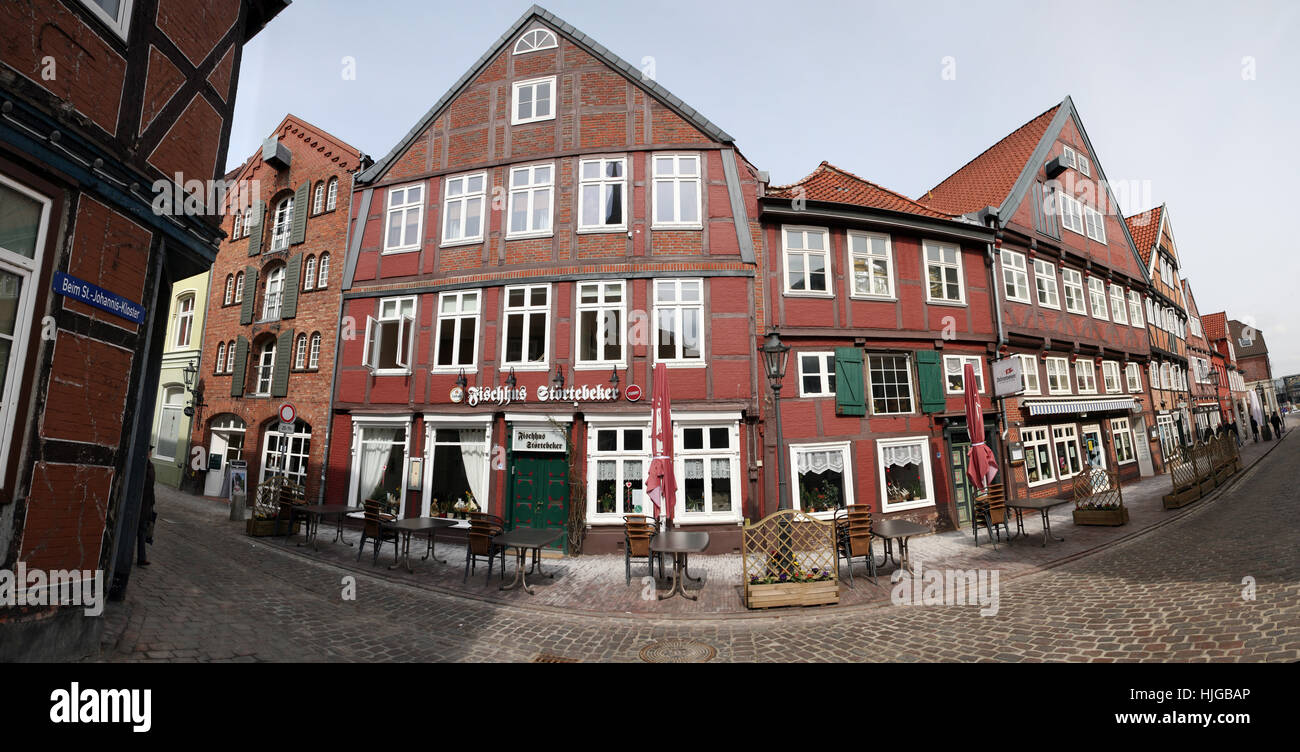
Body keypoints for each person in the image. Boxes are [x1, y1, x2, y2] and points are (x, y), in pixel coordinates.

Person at [138, 448, 157, 566]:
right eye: (149, 451)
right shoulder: (142, 466)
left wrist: (152, 502)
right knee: (140, 531)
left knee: (143, 531)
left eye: (150, 451)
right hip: (139, 503)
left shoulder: (151, 467)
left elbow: (151, 487)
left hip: (147, 504)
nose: (150, 453)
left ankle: (141, 558)